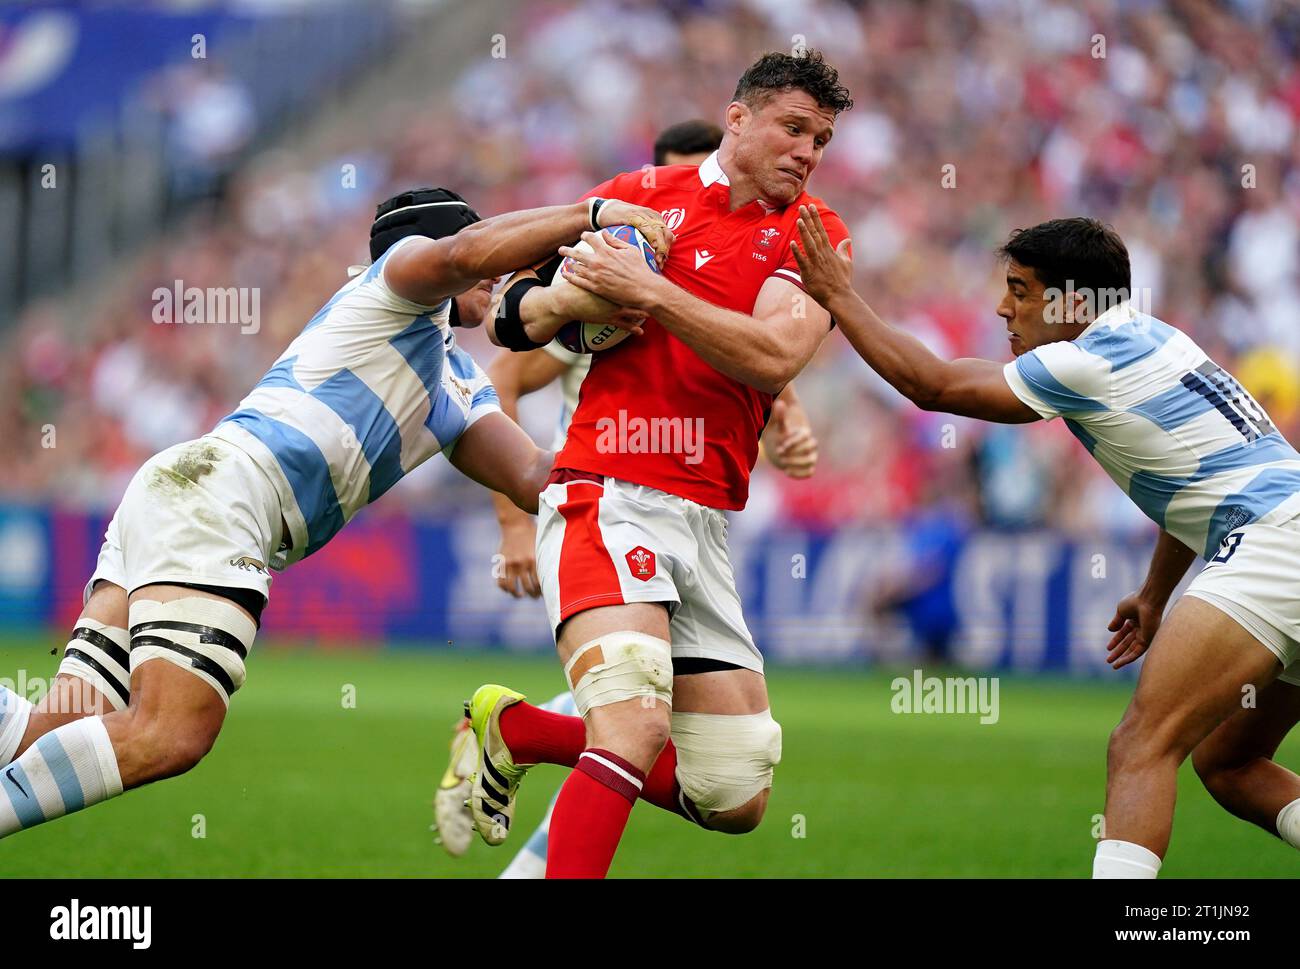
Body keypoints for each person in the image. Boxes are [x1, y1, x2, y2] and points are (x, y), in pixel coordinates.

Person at [0, 187, 669, 839]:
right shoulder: (397, 283)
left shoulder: (456, 380)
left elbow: (532, 476)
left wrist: (643, 453)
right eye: (483, 255)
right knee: (171, 731)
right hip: (225, 499)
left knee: (59, 725)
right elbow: (467, 252)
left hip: (184, 489)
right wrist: (593, 214)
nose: (497, 275)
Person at [790, 206, 1300, 878]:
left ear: (1075, 301)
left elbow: (932, 384)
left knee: (1140, 745)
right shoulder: (1161, 339)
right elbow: (1204, 478)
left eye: (1022, 291)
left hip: (1270, 544)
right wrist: (1154, 593)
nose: (1004, 308)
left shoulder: (1087, 360)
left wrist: (836, 294)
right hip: (1282, 531)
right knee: (1228, 763)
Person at [453, 50, 853, 878]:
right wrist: (569, 300)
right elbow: (507, 322)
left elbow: (776, 354)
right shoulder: (633, 199)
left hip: (705, 519)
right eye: (794, 128)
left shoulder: (817, 235)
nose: (809, 152)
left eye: (822, 138)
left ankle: (520, 729)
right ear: (738, 119)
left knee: (733, 794)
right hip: (608, 493)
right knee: (632, 728)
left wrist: (655, 291)